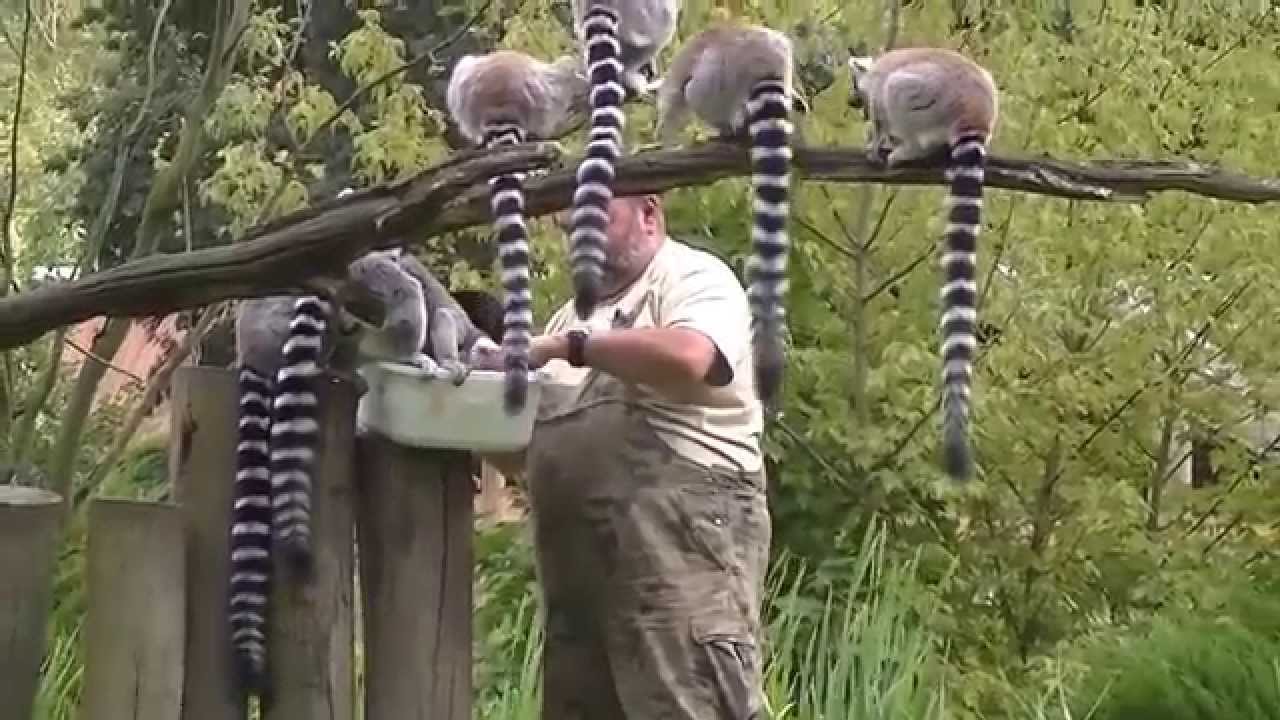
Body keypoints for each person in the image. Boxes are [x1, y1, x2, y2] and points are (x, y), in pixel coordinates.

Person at [476, 193, 771, 719]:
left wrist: (568, 347)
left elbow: (692, 356)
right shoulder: (571, 316)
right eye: (571, 226)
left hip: (680, 570)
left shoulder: (692, 278)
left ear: (649, 214)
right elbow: (525, 453)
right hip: (582, 597)